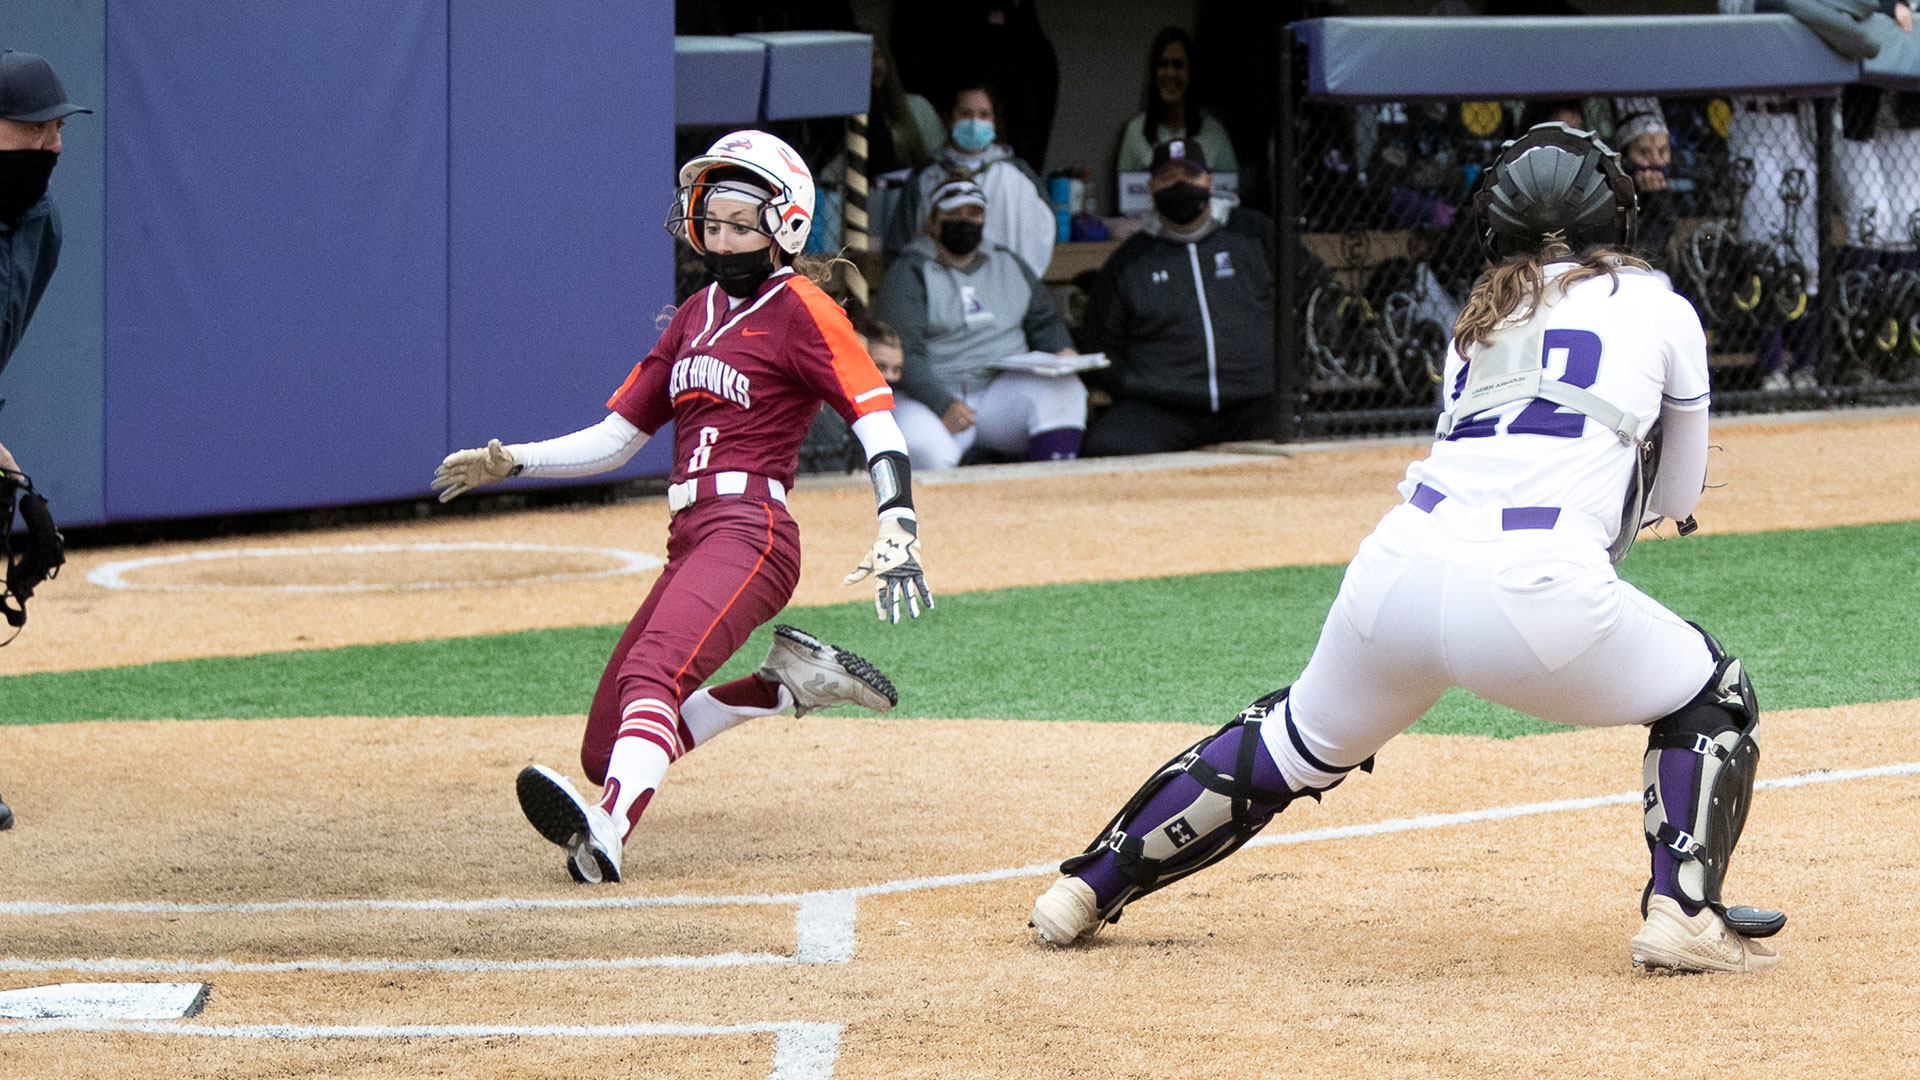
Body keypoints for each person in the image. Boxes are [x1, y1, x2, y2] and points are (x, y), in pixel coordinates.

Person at [1029, 124, 1788, 976]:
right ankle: (1684, 913)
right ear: (1613, 215)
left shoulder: (1477, 318)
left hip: (1398, 568)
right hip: (1539, 589)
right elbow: (1679, 497)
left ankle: (1087, 885)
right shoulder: (1657, 305)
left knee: (1291, 740)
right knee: (1713, 693)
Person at [432, 130, 934, 885]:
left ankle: (609, 830)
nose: (720, 234)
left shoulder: (801, 307)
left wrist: (897, 518)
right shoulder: (696, 311)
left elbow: (875, 417)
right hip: (693, 534)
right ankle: (780, 686)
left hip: (753, 530)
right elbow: (616, 439)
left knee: (652, 678)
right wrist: (517, 459)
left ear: (786, 226)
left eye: (740, 221)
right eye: (712, 219)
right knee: (605, 749)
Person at [0, 49, 92, 833]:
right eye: (32, 128)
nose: (50, 144)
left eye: (56, 128)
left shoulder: (42, 227)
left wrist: (14, 474)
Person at [1082, 138, 1277, 456]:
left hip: (1254, 401)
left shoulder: (1253, 233)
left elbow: (1310, 289)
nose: (1180, 183)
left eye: (1190, 173)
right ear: (1151, 187)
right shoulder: (1129, 260)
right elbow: (1098, 344)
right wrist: (1137, 383)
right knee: (1106, 447)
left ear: (1209, 182)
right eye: (1167, 176)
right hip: (1164, 409)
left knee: (1305, 444)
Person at [875, 177, 1086, 469]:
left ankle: (1051, 492)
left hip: (999, 392)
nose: (964, 221)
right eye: (952, 213)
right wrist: (941, 404)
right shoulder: (909, 271)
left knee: (1067, 390)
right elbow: (905, 350)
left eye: (973, 213)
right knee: (925, 450)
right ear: (933, 221)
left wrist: (1061, 349)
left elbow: (1044, 321)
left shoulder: (1009, 263)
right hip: (932, 397)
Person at [889, 84, 1054, 278]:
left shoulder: (1018, 175)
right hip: (939, 292)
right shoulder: (925, 177)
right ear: (948, 118)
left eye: (984, 115)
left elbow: (1045, 231)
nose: (975, 122)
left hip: (1004, 288)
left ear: (994, 120)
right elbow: (899, 246)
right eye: (966, 114)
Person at [1114, 28, 1239, 179]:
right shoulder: (1136, 132)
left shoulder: (1214, 133)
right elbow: (1124, 196)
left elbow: (1230, 195)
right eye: (1163, 65)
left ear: (1191, 73)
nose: (1170, 73)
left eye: (1178, 65)